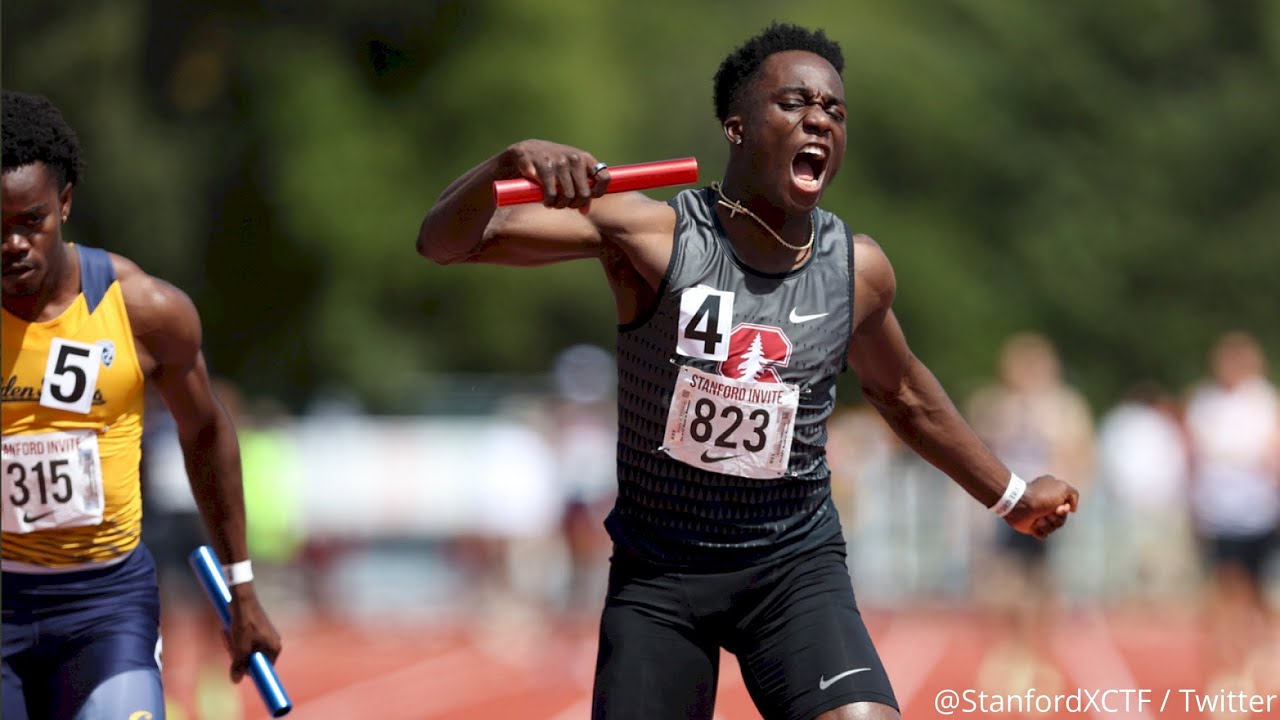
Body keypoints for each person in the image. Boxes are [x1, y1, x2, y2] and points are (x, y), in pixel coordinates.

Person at [415, 23, 1079, 720]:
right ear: (737, 127)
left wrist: (1011, 496)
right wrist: (505, 166)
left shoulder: (856, 270)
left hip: (793, 565)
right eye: (795, 103)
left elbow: (904, 392)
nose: (820, 118)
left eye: (836, 111)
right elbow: (445, 242)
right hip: (662, 573)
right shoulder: (653, 237)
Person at [2, 90, 282, 720]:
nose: (13, 244)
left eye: (30, 221)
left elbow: (205, 431)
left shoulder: (143, 311)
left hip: (104, 602)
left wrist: (242, 590)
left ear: (65, 204)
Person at [1183, 331, 1279, 687]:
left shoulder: (1266, 402)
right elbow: (1193, 457)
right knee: (1223, 591)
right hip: (1218, 513)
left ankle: (1265, 655)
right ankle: (1227, 666)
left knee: (1259, 590)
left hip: (1259, 511)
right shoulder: (1206, 404)